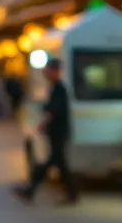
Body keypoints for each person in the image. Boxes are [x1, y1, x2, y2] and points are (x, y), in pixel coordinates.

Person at [13, 58, 79, 204]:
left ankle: (32, 188)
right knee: (57, 162)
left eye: (48, 71)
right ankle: (70, 192)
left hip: (58, 132)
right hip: (56, 132)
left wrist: (43, 124)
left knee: (54, 161)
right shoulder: (55, 88)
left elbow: (54, 111)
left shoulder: (59, 89)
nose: (46, 74)